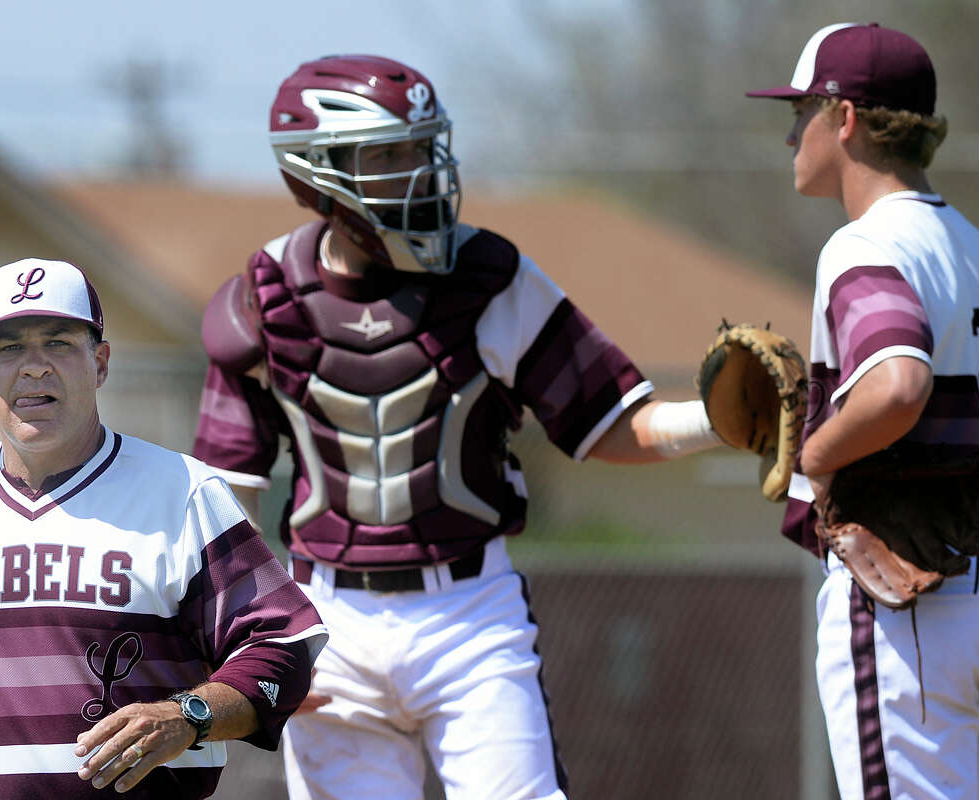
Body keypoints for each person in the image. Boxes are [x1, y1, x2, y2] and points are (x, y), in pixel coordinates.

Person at [193, 55, 726, 799]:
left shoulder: (490, 277)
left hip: (470, 612)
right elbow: (225, 500)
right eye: (388, 154)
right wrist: (254, 644)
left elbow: (609, 420)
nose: (417, 172)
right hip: (327, 621)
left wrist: (721, 421)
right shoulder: (262, 297)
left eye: (422, 148)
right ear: (313, 174)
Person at [0, 258, 327, 799]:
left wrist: (187, 715)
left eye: (58, 342)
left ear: (100, 362)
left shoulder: (182, 492)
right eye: (9, 347)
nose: (34, 367)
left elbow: (282, 648)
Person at [747, 23, 979, 800]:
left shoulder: (866, 248)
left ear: (845, 116)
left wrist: (812, 459)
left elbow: (898, 384)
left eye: (801, 112)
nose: (792, 132)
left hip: (909, 609)